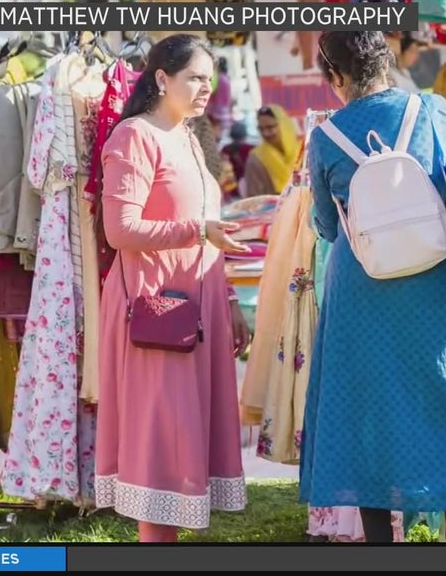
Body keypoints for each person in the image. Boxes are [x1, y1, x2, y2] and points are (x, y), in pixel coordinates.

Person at [300, 30, 446, 543]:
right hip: (441, 287)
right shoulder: (435, 111)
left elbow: (329, 228)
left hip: (365, 298)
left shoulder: (326, 138)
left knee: (370, 417)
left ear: (334, 76)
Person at [96, 34, 254, 542]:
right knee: (162, 451)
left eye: (210, 78)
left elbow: (206, 225)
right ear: (162, 79)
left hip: (198, 307)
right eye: (194, 78)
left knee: (183, 447)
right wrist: (195, 232)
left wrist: (229, 300)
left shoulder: (188, 135)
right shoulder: (132, 137)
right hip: (156, 309)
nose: (205, 88)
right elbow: (118, 232)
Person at [241, 105, 300, 197]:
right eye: (261, 129)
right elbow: (254, 199)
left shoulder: (302, 152)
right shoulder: (256, 158)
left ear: (283, 125)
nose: (265, 133)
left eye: (270, 127)